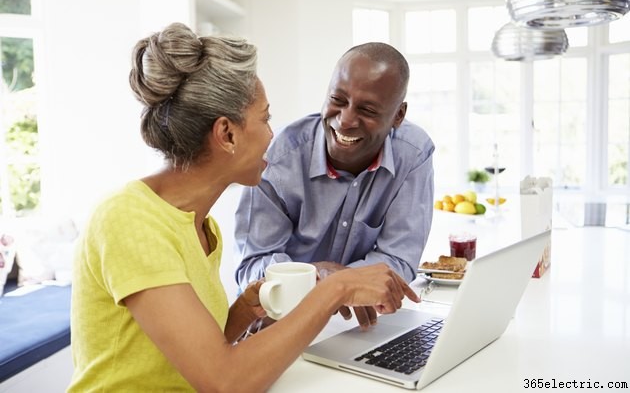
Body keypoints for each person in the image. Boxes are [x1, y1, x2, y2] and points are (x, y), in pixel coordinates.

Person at [67, 23, 419, 392]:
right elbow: (224, 381)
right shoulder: (130, 219)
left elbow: (190, 357)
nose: (273, 134)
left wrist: (241, 315)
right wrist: (335, 288)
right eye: (265, 118)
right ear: (227, 134)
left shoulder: (201, 227)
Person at [235, 42, 434, 328]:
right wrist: (318, 277)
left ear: (398, 116)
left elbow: (398, 259)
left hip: (357, 325)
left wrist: (342, 284)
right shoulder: (277, 158)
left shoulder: (413, 153)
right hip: (281, 325)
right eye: (338, 100)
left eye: (367, 109)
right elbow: (250, 269)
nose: (346, 120)